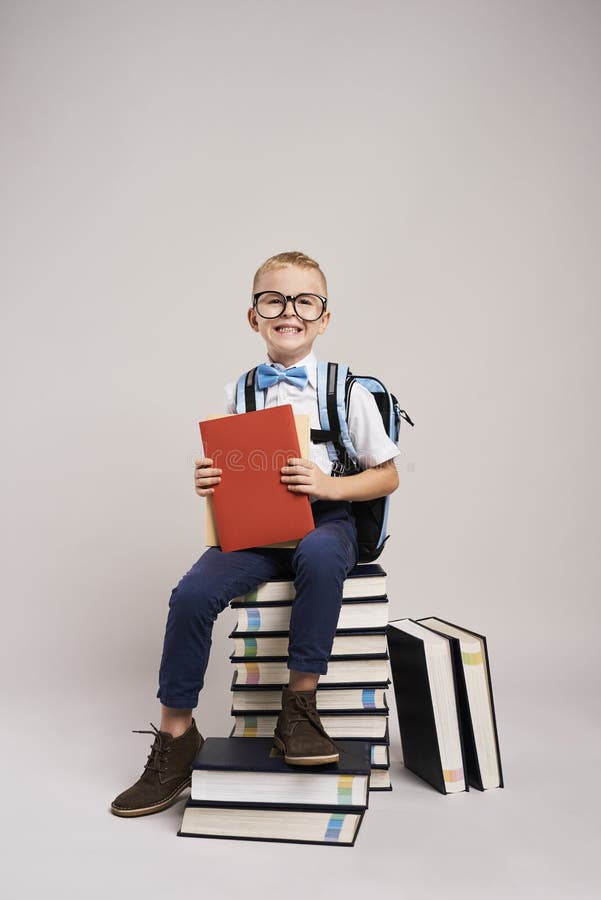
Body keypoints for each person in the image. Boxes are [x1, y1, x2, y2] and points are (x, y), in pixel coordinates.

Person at [111, 251, 400, 817]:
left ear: (323, 317)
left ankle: (299, 706)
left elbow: (388, 473)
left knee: (319, 557)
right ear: (254, 316)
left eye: (303, 301)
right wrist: (212, 479)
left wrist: (328, 485)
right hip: (256, 530)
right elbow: (237, 468)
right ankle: (176, 736)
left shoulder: (347, 391)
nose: (288, 311)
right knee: (191, 593)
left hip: (325, 520)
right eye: (273, 300)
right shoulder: (238, 391)